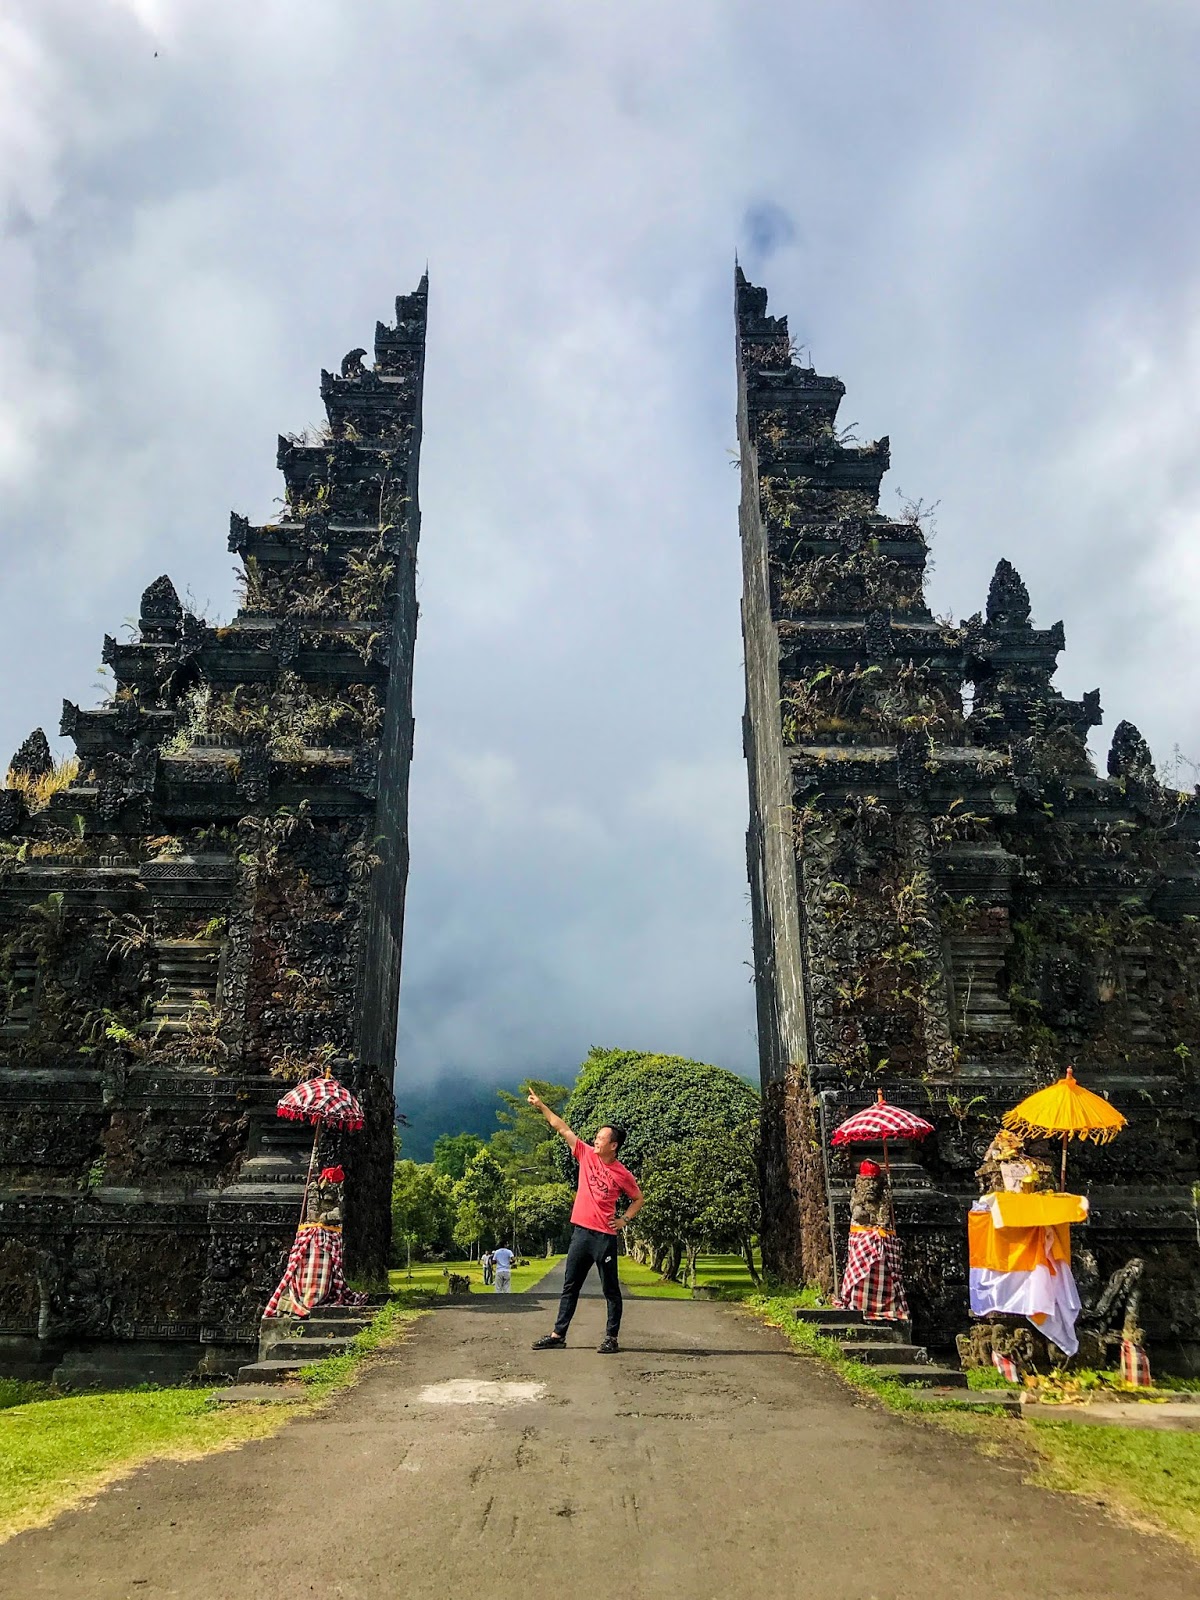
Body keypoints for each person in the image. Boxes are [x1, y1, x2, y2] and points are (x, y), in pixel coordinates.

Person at [526, 1088, 642, 1354]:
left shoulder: (622, 1173)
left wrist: (624, 1219)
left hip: (604, 1237)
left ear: (614, 1145)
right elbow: (562, 1128)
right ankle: (558, 1335)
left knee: (611, 1290)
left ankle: (611, 1338)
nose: (596, 1140)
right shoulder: (586, 1154)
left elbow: (638, 1199)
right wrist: (541, 1105)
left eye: (602, 1138)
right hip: (581, 1234)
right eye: (597, 1137)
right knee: (570, 1286)